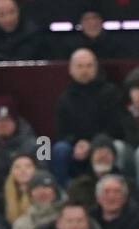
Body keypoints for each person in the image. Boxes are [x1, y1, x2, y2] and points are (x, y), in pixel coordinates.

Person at [53, 48, 124, 186]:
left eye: (89, 66)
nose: (84, 70)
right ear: (71, 70)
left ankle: (120, 187)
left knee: (119, 146)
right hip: (76, 148)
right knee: (58, 149)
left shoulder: (111, 93)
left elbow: (116, 128)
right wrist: (77, 144)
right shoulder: (64, 98)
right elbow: (61, 132)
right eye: (79, 66)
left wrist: (93, 144)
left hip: (104, 143)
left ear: (96, 68)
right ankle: (63, 193)